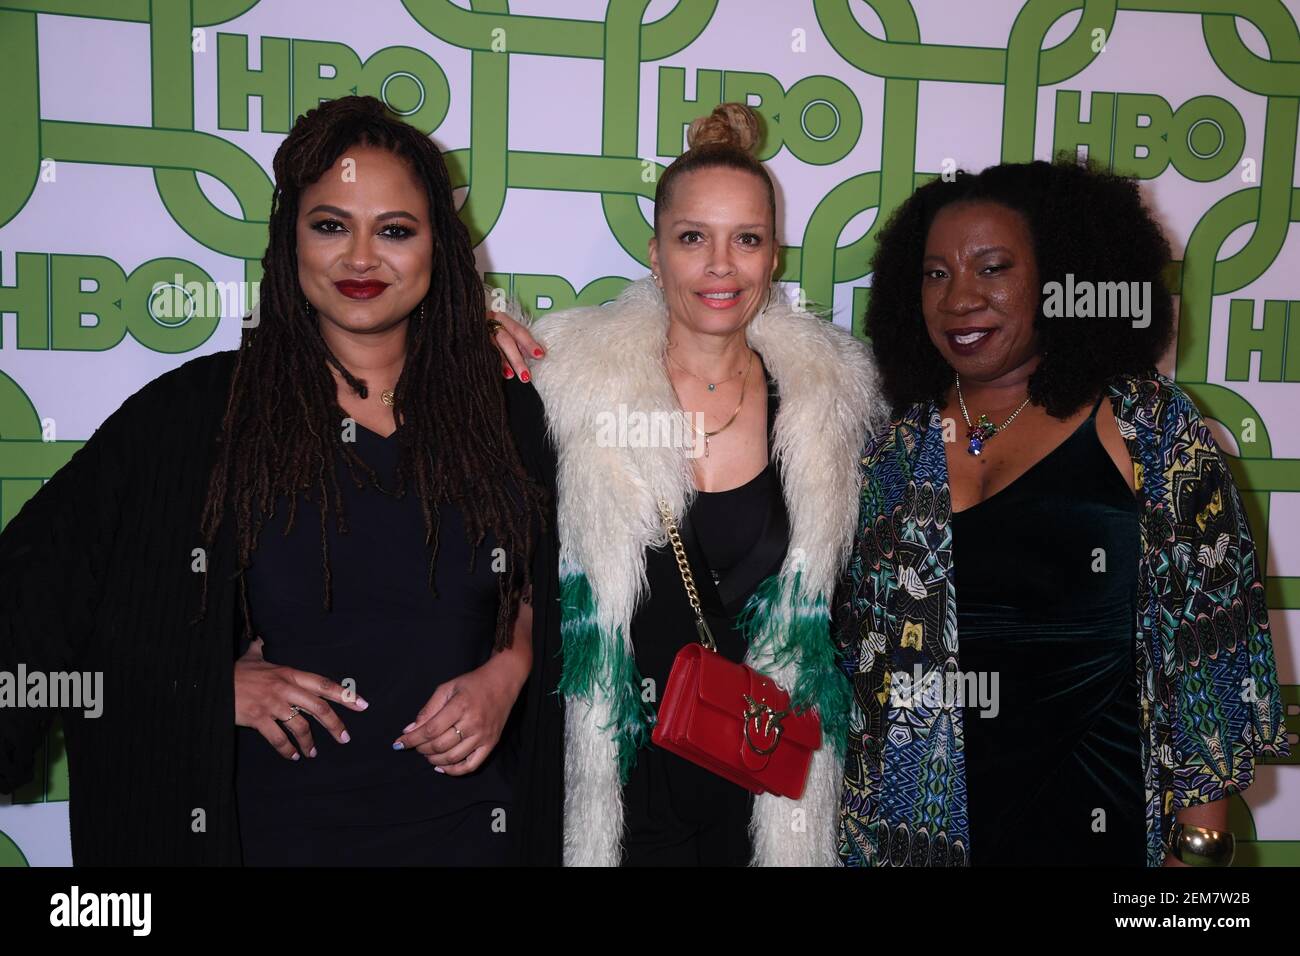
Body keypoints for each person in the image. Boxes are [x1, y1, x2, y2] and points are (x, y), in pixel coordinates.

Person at [0, 95, 552, 865]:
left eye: (395, 230)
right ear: (288, 240)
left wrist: (510, 666)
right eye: (331, 225)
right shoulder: (197, 418)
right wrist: (199, 685)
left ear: (440, 251)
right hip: (272, 840)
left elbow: (564, 584)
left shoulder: (507, 417)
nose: (361, 259)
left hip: (472, 837)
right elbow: (37, 597)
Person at [835, 158, 1290, 867]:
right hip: (913, 843)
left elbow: (1212, 652)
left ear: (1059, 279)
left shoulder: (1148, 426)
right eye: (935, 273)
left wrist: (1196, 856)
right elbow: (854, 668)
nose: (960, 298)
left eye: (993, 268)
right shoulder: (891, 453)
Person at [492, 103, 886, 866]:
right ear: (655, 252)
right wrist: (467, 329)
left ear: (774, 257)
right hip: (617, 777)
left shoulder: (833, 400)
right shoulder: (568, 380)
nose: (719, 266)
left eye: (747, 239)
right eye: (692, 238)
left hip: (766, 780)